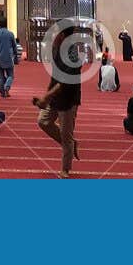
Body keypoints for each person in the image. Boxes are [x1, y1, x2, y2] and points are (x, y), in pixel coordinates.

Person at [33, 24, 84, 178]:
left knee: (66, 134)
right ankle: (71, 144)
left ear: (62, 35)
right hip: (55, 96)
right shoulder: (57, 50)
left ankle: (65, 169)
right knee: (43, 121)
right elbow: (54, 77)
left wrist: (46, 97)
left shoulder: (74, 56)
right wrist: (46, 96)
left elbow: (64, 83)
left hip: (69, 99)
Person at [0, 16, 18, 97]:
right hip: (8, 57)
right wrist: (16, 55)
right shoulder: (10, 34)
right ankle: (7, 86)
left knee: (1, 76)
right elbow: (14, 46)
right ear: (7, 24)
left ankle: (2, 93)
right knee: (11, 75)